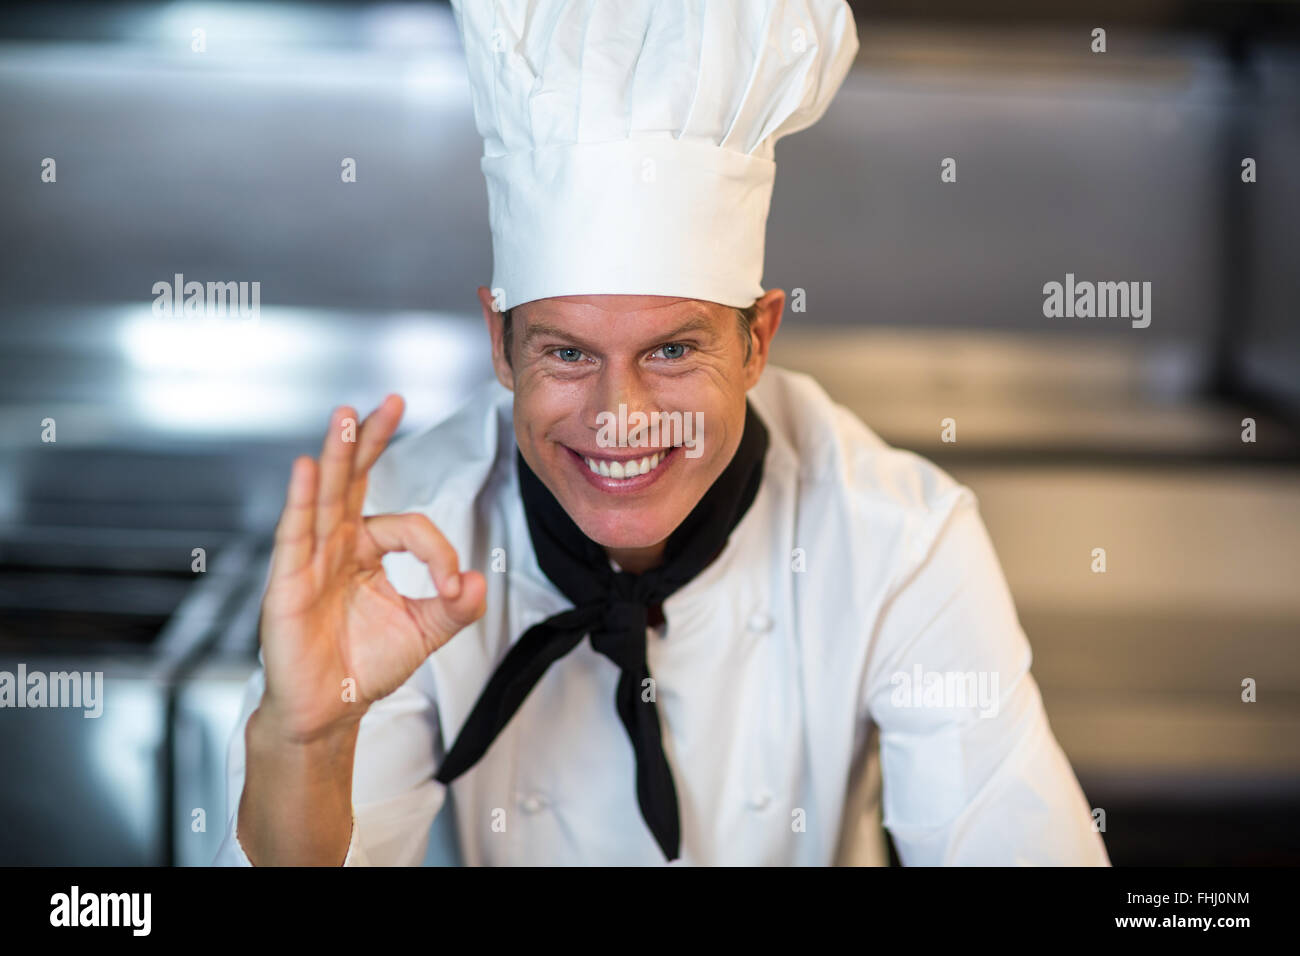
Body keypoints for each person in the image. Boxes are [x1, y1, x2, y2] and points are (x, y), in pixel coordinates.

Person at [214, 0, 1110, 866]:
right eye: (567, 353)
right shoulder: (403, 542)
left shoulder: (899, 540)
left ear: (756, 339)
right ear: (500, 343)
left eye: (674, 349)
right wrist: (308, 736)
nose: (620, 418)